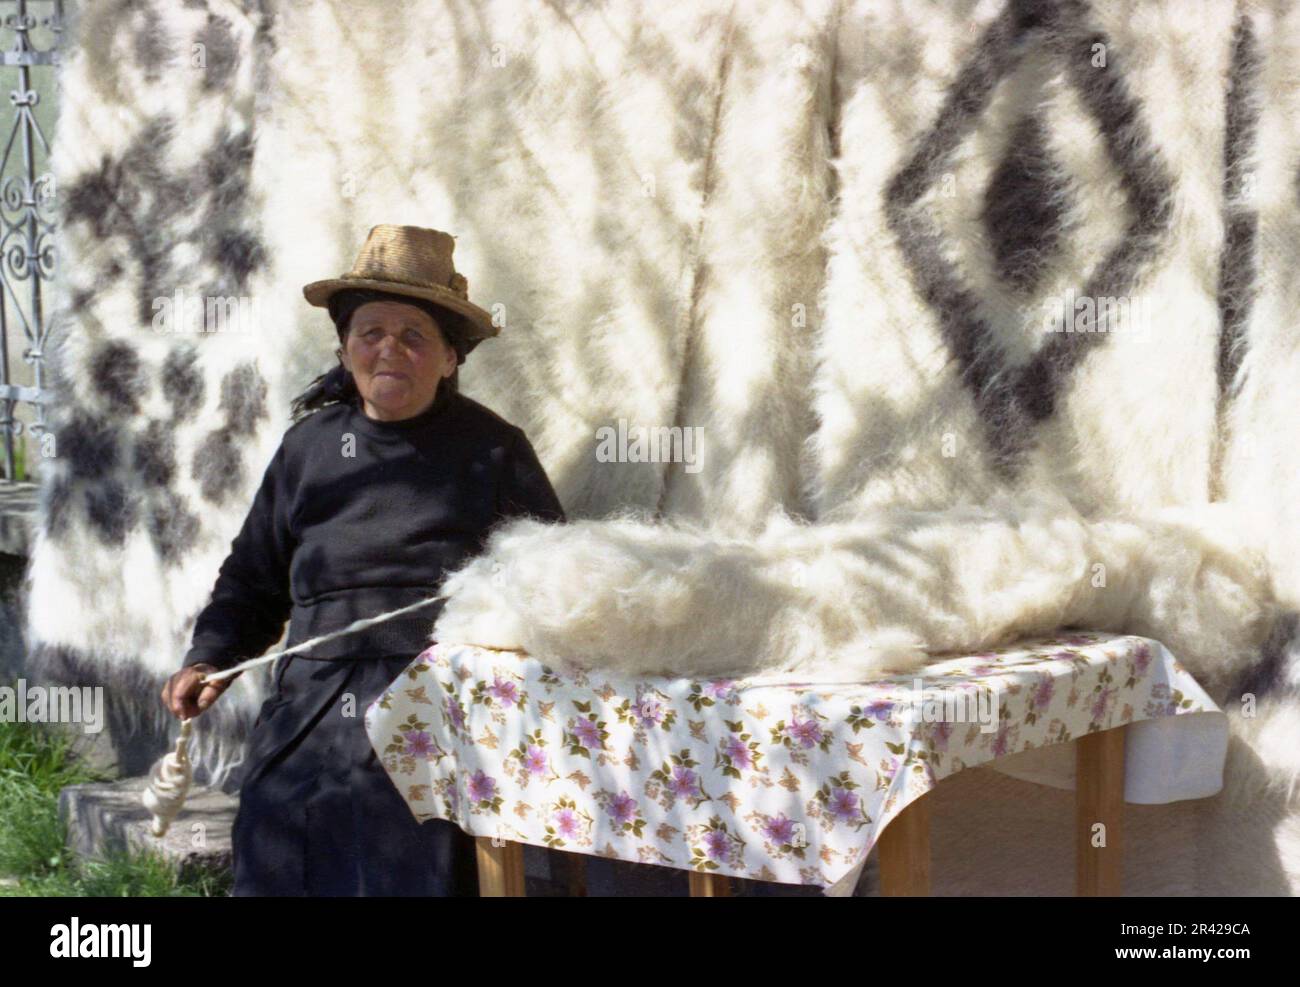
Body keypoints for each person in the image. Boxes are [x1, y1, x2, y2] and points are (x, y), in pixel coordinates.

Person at [160, 224, 565, 896]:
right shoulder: (308, 450)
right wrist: (210, 656)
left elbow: (552, 577)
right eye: (371, 332)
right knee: (280, 837)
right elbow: (253, 576)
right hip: (310, 701)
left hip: (434, 698)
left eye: (414, 336)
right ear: (346, 348)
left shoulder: (493, 450)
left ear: (448, 359)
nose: (389, 350)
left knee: (407, 853)